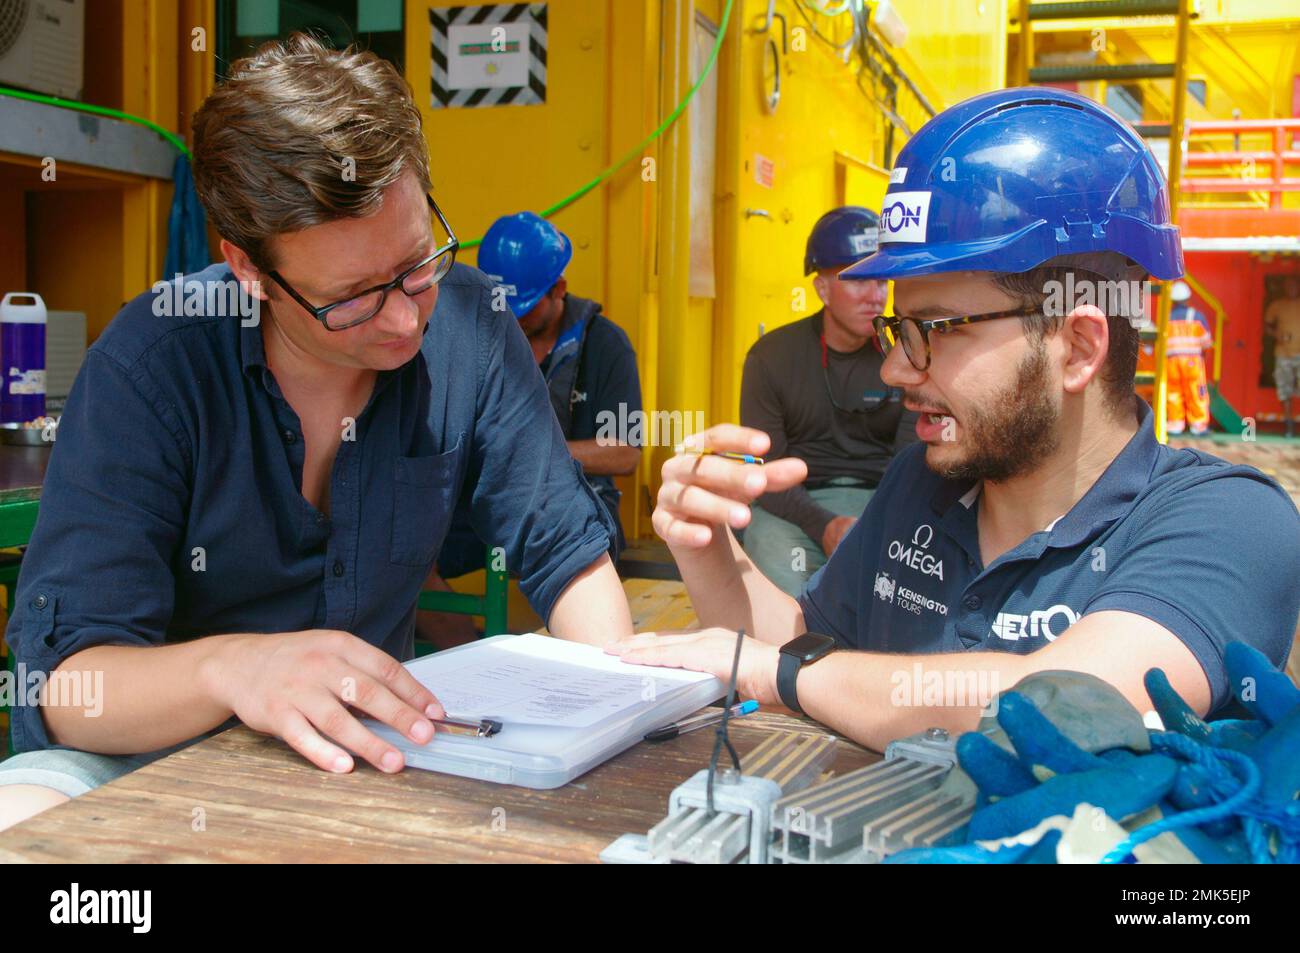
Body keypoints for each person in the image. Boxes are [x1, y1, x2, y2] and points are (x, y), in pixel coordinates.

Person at [0, 35, 635, 830]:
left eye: (416, 263)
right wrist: (239, 668)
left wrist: (621, 714)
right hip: (145, 757)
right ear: (249, 270)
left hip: (363, 756)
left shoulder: (470, 322)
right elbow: (69, 691)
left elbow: (564, 553)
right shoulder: (152, 362)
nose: (406, 317)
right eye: (354, 298)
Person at [608, 87, 1300, 752]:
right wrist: (710, 547)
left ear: (1078, 346)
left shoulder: (1230, 522)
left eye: (936, 328)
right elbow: (804, 646)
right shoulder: (925, 482)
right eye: (897, 328)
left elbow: (1072, 705)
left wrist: (776, 674)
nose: (896, 370)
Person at [421, 213, 643, 644]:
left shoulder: (606, 346)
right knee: (410, 546)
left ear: (559, 289)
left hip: (581, 497)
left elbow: (626, 452)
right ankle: (465, 650)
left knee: (585, 545)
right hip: (478, 498)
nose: (513, 320)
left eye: (524, 309)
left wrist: (525, 451)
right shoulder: (477, 335)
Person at [739, 207, 918, 596]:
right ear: (821, 289)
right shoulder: (771, 357)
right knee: (773, 558)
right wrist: (824, 526)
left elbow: (912, 461)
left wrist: (871, 525)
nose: (875, 297)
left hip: (886, 500)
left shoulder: (906, 354)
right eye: (857, 281)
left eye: (881, 283)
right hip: (793, 508)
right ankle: (791, 649)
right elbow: (765, 472)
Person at [1164, 280, 1214, 436]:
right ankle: (1198, 425)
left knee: (1173, 392)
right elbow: (1206, 342)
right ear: (1187, 298)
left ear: (1172, 300)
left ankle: (1175, 424)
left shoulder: (1166, 317)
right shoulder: (1196, 317)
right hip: (1192, 361)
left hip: (1171, 361)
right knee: (1196, 391)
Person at [1265, 275, 1300, 438]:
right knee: (1285, 391)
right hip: (1283, 355)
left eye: (1294, 285)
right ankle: (1289, 427)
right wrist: (1278, 335)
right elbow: (1267, 327)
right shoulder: (1277, 306)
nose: (1291, 289)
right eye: (1289, 286)